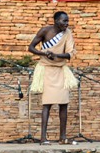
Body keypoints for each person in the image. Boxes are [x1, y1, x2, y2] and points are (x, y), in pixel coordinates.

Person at [27, 11, 78, 144]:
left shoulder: (68, 33)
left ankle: (63, 138)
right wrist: (43, 53)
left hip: (61, 70)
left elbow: (70, 54)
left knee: (63, 103)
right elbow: (31, 47)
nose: (66, 24)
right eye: (64, 21)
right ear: (56, 21)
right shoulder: (45, 31)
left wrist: (56, 55)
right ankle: (43, 138)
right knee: (47, 104)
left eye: (67, 21)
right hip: (46, 69)